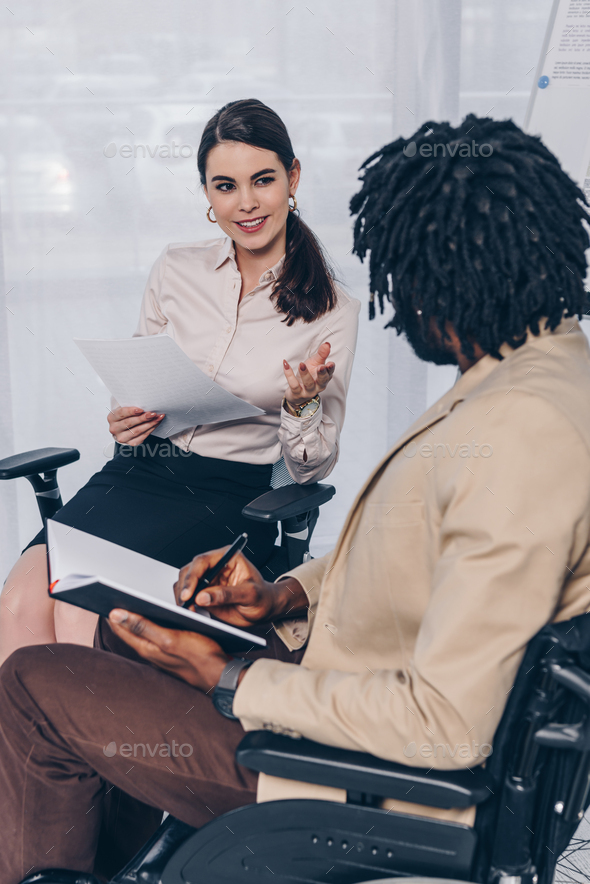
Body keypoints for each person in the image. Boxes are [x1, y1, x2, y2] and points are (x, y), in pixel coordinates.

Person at [2, 113, 590, 884]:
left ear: (436, 272)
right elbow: (422, 559)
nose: (395, 301)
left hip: (345, 776)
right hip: (314, 660)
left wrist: (231, 678)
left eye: (400, 272)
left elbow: (446, 725)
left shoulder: (523, 428)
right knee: (111, 639)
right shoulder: (542, 380)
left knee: (34, 683)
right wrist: (283, 595)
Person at [0, 98, 360, 662]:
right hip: (136, 474)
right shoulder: (175, 267)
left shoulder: (332, 309)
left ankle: (83, 742)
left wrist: (303, 406)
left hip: (228, 492)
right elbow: (138, 383)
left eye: (262, 180)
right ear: (207, 195)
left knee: (78, 606)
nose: (245, 203)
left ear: (292, 177)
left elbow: (313, 468)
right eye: (225, 186)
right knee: (20, 602)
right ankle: (25, 750)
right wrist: (126, 418)